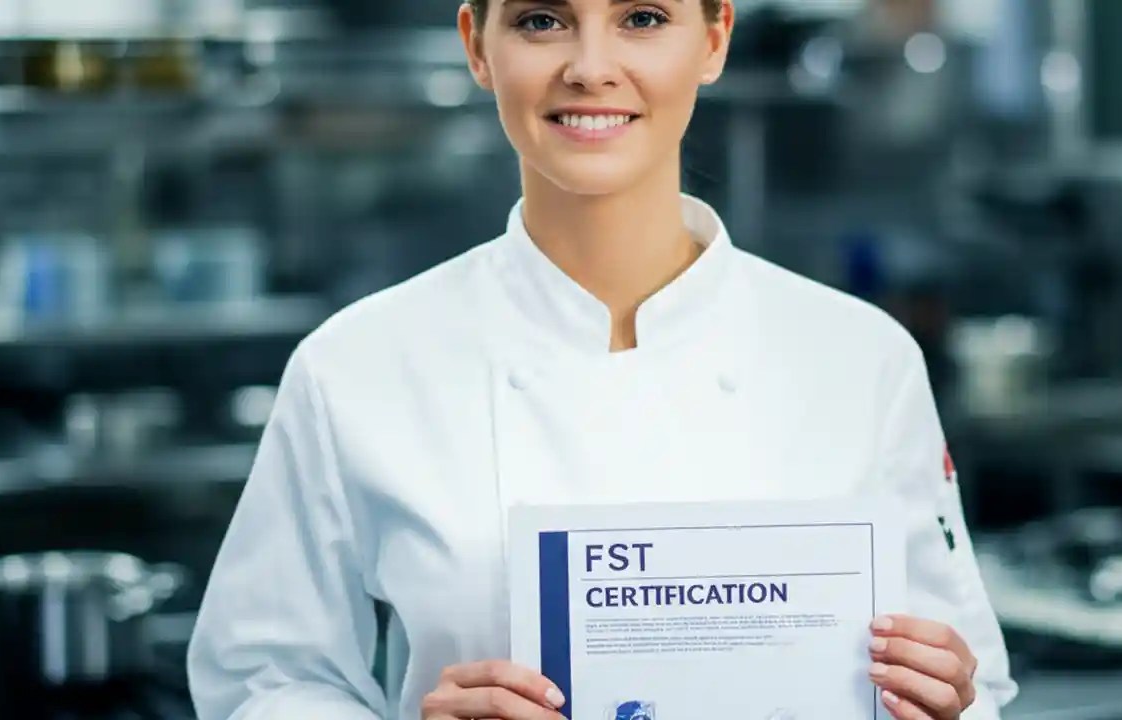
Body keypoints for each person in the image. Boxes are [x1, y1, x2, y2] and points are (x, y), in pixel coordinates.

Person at [186, 0, 1019, 718]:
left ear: (714, 38)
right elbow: (264, 680)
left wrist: (945, 700)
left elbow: (975, 685)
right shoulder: (356, 367)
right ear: (478, 45)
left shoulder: (861, 360)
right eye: (543, 20)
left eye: (643, 18)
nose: (591, 67)